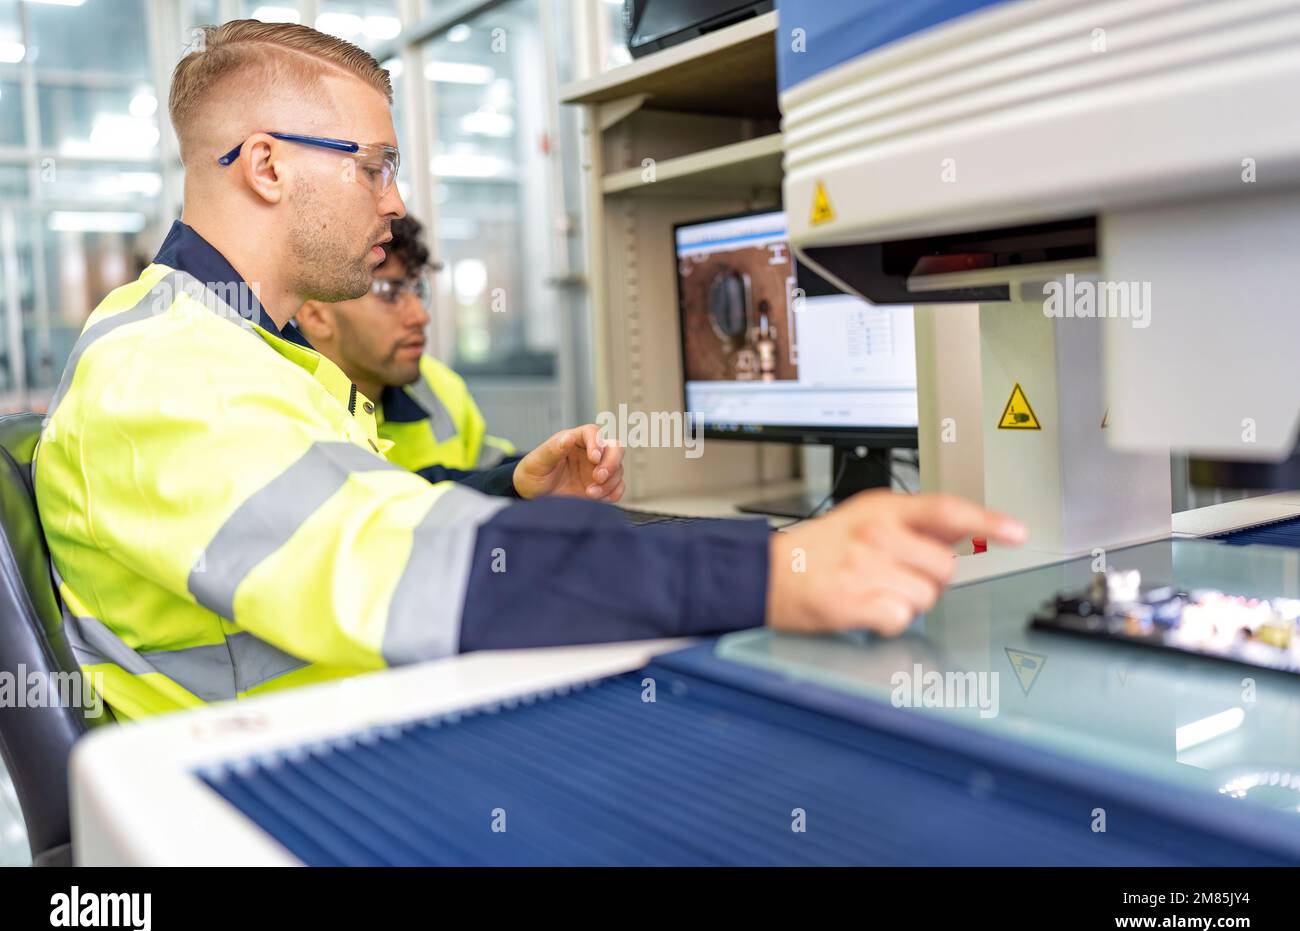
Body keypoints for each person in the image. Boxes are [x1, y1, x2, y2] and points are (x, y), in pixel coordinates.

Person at [33, 19, 1025, 721]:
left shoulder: (240, 344)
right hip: (269, 788)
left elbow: (344, 523)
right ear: (266, 165)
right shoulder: (164, 373)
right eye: (374, 164)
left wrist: (502, 484)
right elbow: (411, 574)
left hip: (357, 720)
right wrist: (780, 567)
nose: (394, 200)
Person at [294, 215, 594, 499]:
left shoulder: (436, 383)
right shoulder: (286, 402)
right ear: (315, 315)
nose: (420, 316)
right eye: (389, 292)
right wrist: (509, 483)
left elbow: (485, 464)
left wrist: (554, 468)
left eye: (417, 289)